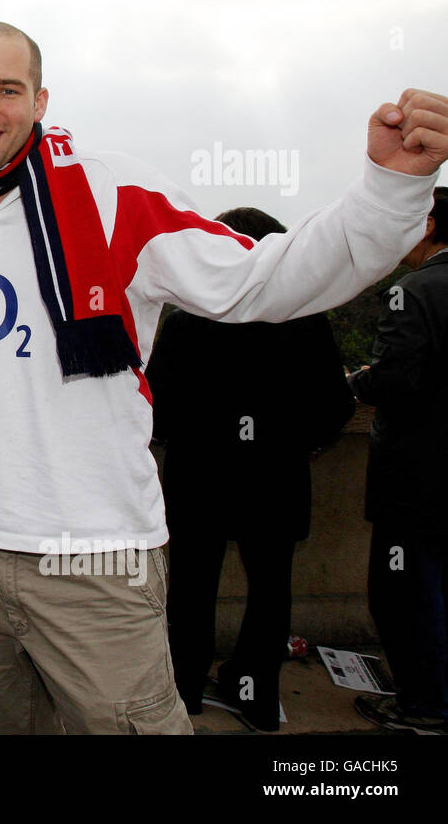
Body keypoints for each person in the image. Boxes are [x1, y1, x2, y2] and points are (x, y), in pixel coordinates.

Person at [0, 21, 448, 734]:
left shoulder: (113, 194)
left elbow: (264, 279)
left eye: (8, 90)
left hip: (96, 552)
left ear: (40, 102)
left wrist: (386, 194)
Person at [147, 208, 355, 732]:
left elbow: (155, 410)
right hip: (275, 478)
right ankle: (258, 697)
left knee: (191, 587)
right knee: (270, 589)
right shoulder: (305, 320)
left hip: (200, 478)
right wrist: (299, 443)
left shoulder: (188, 321)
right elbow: (335, 405)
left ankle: (187, 688)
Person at [348, 186, 448, 734]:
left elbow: (392, 379)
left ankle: (425, 706)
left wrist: (355, 380)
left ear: (429, 224)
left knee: (406, 593)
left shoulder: (416, 290)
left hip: (418, 478)